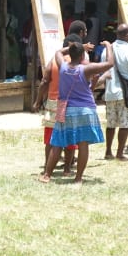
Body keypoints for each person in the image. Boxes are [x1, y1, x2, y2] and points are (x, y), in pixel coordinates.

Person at [39, 40, 113, 184]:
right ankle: (78, 178)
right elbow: (110, 63)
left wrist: (75, 47)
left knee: (57, 142)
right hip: (85, 109)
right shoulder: (86, 69)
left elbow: (58, 52)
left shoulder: (63, 67)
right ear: (81, 57)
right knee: (82, 144)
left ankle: (47, 175)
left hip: (64, 108)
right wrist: (109, 46)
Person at [32, 34, 82, 174]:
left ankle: (47, 167)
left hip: (53, 102)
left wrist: (38, 101)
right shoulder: (77, 61)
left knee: (50, 137)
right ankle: (67, 168)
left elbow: (45, 81)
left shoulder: (54, 60)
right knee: (70, 136)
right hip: (70, 102)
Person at [98, 23, 128, 161]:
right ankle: (120, 153)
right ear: (126, 35)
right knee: (125, 125)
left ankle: (108, 151)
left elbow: (104, 70)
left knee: (111, 124)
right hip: (126, 94)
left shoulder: (107, 50)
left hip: (109, 92)